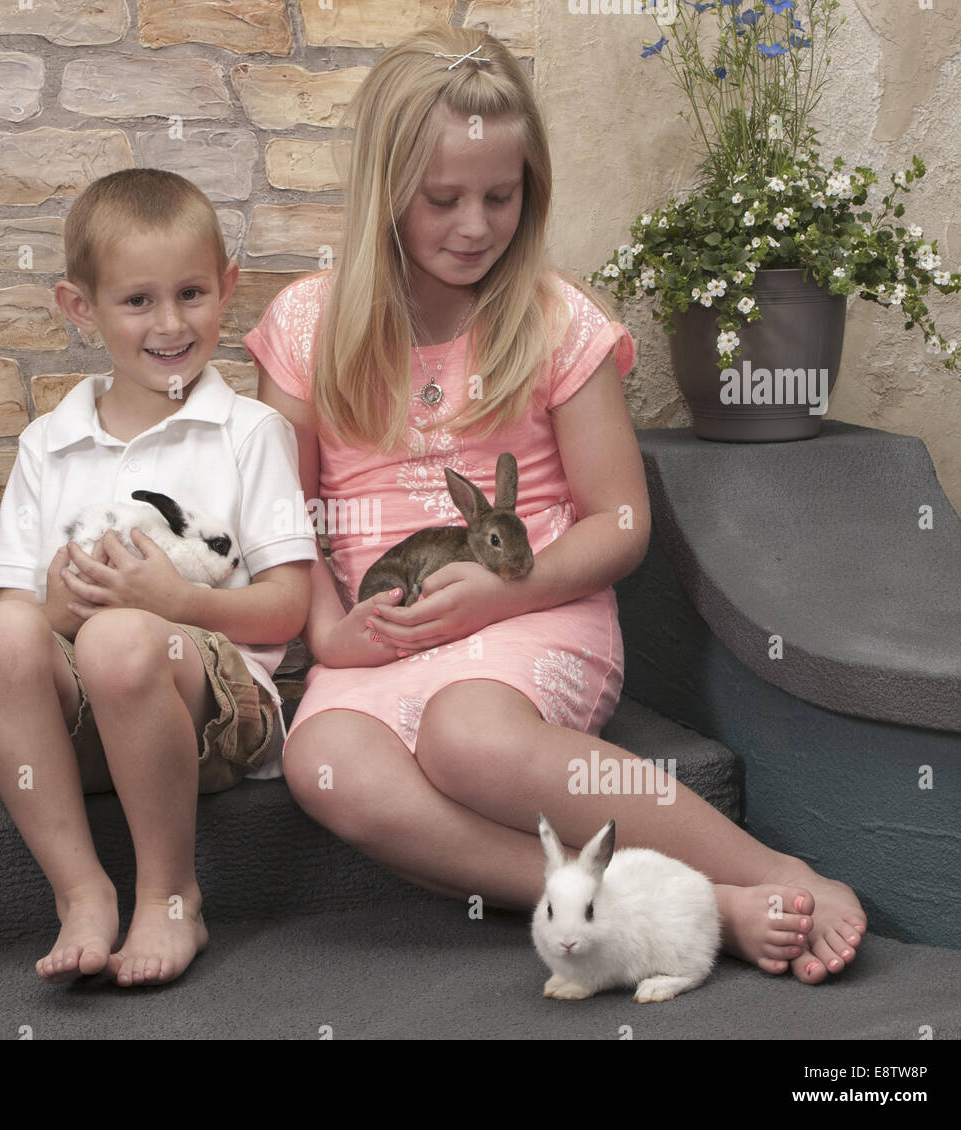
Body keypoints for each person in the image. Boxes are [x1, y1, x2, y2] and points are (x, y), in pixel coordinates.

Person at [244, 29, 867, 985]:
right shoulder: (306, 324)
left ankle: (767, 874)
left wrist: (498, 597)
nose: (475, 225)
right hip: (380, 632)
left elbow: (622, 523)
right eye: (442, 199)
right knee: (323, 761)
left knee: (466, 735)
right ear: (382, 195)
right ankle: (629, 910)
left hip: (533, 609)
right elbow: (280, 515)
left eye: (503, 195)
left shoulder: (554, 317)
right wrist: (327, 634)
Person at [0, 169, 315, 986]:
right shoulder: (50, 442)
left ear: (228, 288)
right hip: (86, 727)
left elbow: (288, 608)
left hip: (212, 720)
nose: (170, 323)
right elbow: (19, 615)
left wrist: (176, 604)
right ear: (80, 308)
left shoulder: (249, 432)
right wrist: (53, 605)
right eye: (136, 301)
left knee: (123, 638)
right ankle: (81, 890)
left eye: (192, 293)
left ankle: (168, 894)